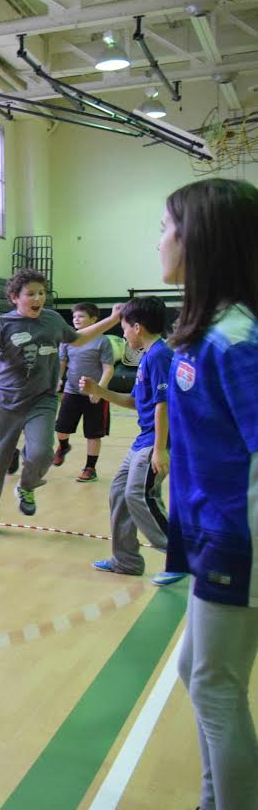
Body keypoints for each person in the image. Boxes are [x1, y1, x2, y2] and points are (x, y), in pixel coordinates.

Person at [156, 178, 258, 810]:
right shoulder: (204, 331)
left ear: (199, 240)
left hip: (238, 539)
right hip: (209, 532)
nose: (159, 241)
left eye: (166, 227)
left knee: (215, 686)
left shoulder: (235, 339)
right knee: (195, 674)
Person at [0, 270, 123, 535]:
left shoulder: (52, 319)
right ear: (15, 297)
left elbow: (79, 338)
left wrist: (112, 319)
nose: (38, 298)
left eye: (41, 293)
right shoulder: (3, 324)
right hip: (6, 401)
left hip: (42, 400)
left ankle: (27, 486)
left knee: (42, 453)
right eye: (30, 294)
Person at [80, 296, 184, 585]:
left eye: (124, 328)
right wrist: (99, 391)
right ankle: (126, 560)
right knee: (119, 492)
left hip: (155, 440)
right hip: (143, 440)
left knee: (139, 494)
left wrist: (160, 449)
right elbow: (136, 402)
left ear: (137, 327)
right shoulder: (148, 356)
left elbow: (163, 405)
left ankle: (180, 556)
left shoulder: (160, 355)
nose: (123, 334)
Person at [54, 302, 116, 482]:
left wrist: (99, 390)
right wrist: (58, 379)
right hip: (72, 391)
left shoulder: (103, 341)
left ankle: (90, 468)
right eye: (74, 317)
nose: (76, 319)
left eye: (81, 316)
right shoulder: (68, 339)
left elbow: (108, 368)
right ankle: (63, 446)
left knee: (93, 433)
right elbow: (62, 363)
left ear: (94, 320)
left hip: (94, 395)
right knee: (61, 428)